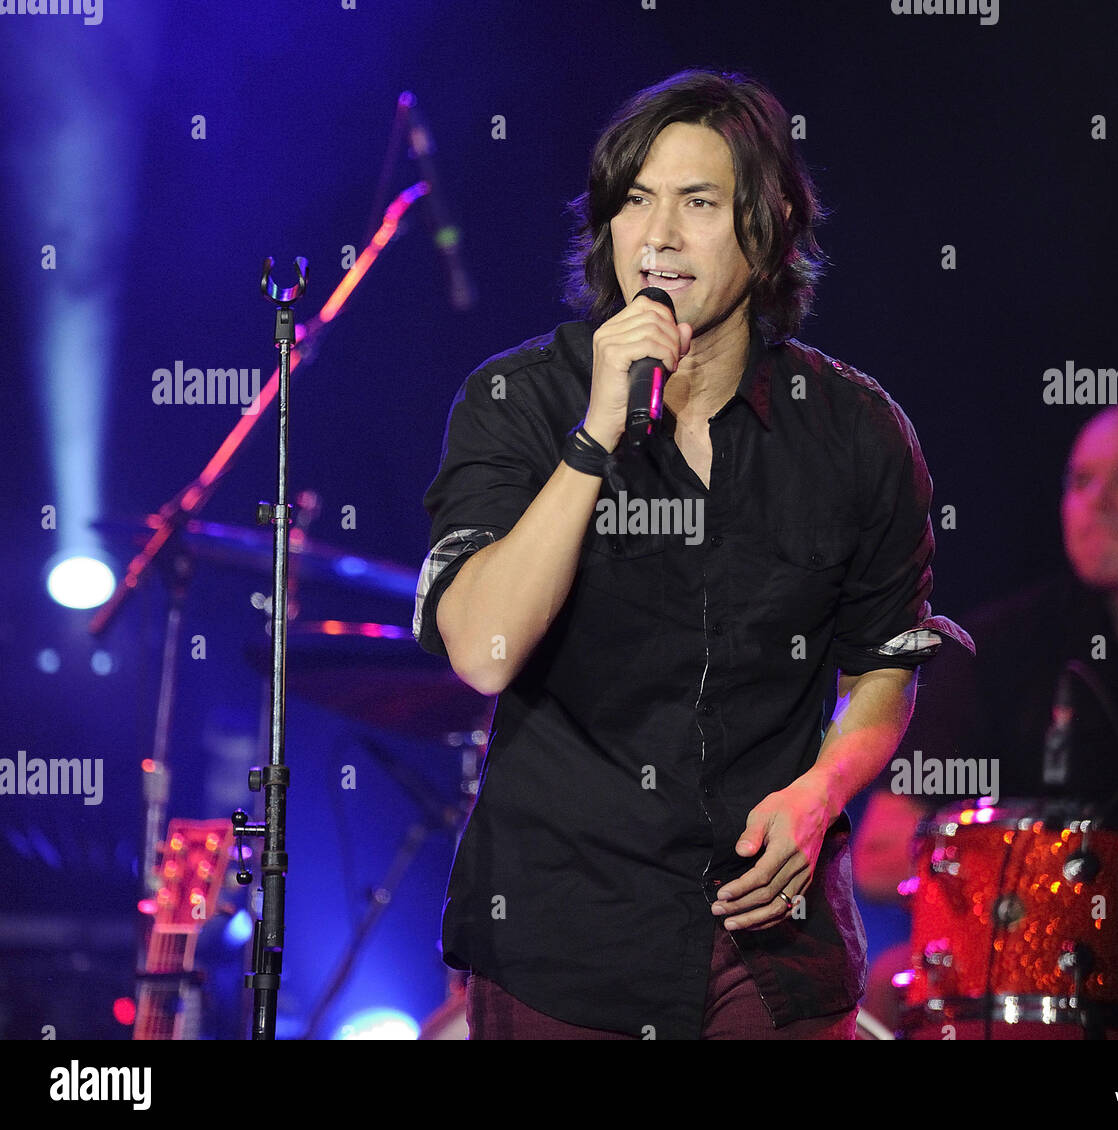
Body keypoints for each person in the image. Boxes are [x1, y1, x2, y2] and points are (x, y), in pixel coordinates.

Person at [411, 69, 969, 1040]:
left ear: (769, 222)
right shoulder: (517, 402)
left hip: (772, 950)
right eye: (634, 202)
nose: (657, 236)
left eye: (697, 203)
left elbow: (887, 662)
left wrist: (822, 790)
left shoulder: (856, 431)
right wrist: (594, 434)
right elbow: (484, 649)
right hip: (567, 943)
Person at [852, 403, 1118, 1038]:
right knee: (879, 986)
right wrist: (1047, 892)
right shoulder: (996, 648)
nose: (1096, 502)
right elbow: (881, 853)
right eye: (1080, 481)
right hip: (1027, 990)